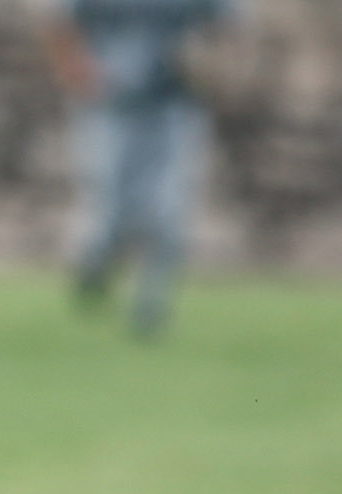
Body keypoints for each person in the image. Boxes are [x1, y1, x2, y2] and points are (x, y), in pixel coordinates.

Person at [41, 0, 235, 335]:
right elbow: (58, 22)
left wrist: (214, 66)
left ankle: (150, 303)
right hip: (110, 105)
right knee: (109, 212)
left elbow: (228, 26)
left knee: (168, 208)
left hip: (173, 103)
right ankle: (94, 265)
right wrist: (78, 71)